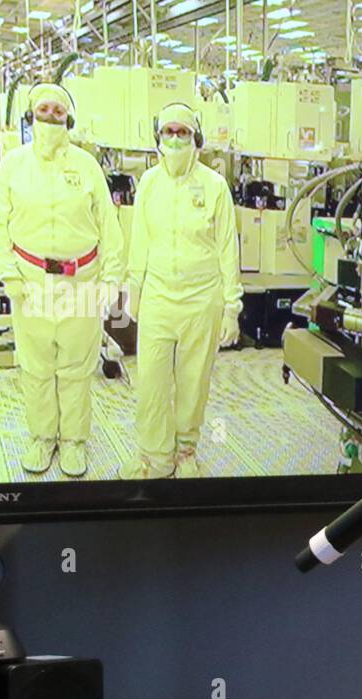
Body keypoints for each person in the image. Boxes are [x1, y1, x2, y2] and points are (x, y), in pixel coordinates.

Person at [0, 83, 124, 477]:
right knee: (36, 366)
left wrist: (112, 279)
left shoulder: (86, 166)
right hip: (29, 279)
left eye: (57, 111)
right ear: (31, 116)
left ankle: (74, 441)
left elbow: (109, 226)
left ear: (69, 117)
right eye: (42, 110)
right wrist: (8, 274)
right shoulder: (12, 165)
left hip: (82, 278)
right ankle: (43, 437)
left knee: (77, 365)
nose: (50, 116)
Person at [120, 102, 242, 480]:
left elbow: (227, 248)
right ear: (158, 138)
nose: (175, 138)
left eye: (183, 132)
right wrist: (133, 287)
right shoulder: (148, 184)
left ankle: (186, 452)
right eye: (168, 131)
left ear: (196, 139)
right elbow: (139, 238)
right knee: (151, 382)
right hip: (158, 295)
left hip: (202, 299)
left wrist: (232, 307)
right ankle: (152, 457)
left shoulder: (214, 186)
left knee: (193, 381)